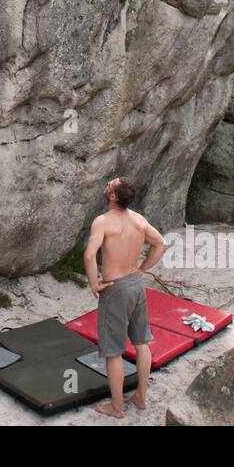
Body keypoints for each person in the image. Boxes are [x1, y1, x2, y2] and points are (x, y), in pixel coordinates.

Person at [83, 177, 169, 419]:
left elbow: (90, 256)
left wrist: (94, 284)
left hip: (115, 288)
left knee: (113, 352)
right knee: (142, 344)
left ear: (112, 196)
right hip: (135, 284)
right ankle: (141, 397)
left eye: (111, 184)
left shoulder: (102, 222)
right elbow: (161, 244)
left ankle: (117, 407)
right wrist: (142, 270)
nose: (108, 183)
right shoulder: (139, 220)